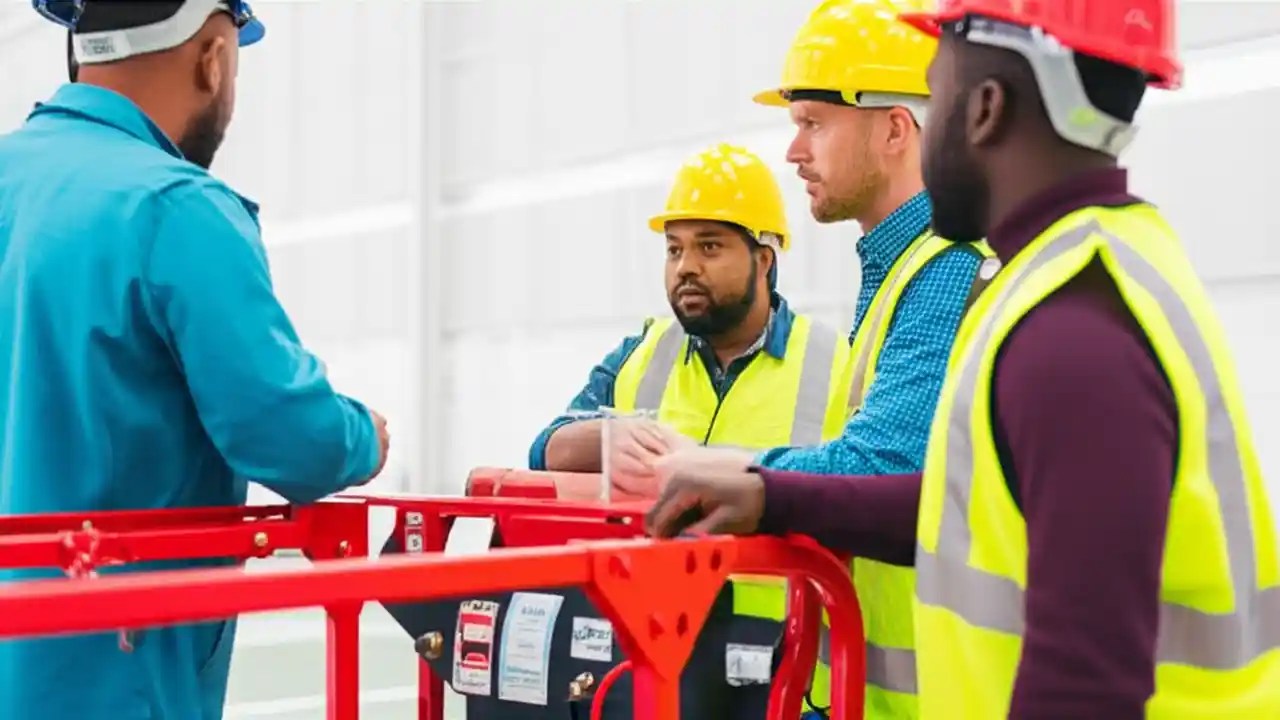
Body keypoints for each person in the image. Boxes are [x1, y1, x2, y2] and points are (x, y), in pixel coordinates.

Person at [647, 0, 1280, 717]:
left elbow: (1085, 686)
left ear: (984, 108)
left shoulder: (1074, 333)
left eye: (935, 91)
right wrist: (774, 496)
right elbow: (974, 507)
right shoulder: (1071, 273)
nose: (924, 127)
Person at [0, 2, 390, 719]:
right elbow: (291, 439)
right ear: (212, 58)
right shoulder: (173, 207)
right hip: (109, 677)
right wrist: (364, 434)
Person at [637, 2, 997, 717]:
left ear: (895, 129)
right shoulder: (898, 270)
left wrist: (723, 471)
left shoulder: (944, 269)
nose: (794, 152)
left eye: (814, 123)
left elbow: (882, 468)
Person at [529, 141, 852, 482]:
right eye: (674, 249)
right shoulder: (641, 353)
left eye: (708, 247)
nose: (685, 267)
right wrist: (606, 439)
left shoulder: (839, 364)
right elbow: (545, 450)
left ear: (763, 261)